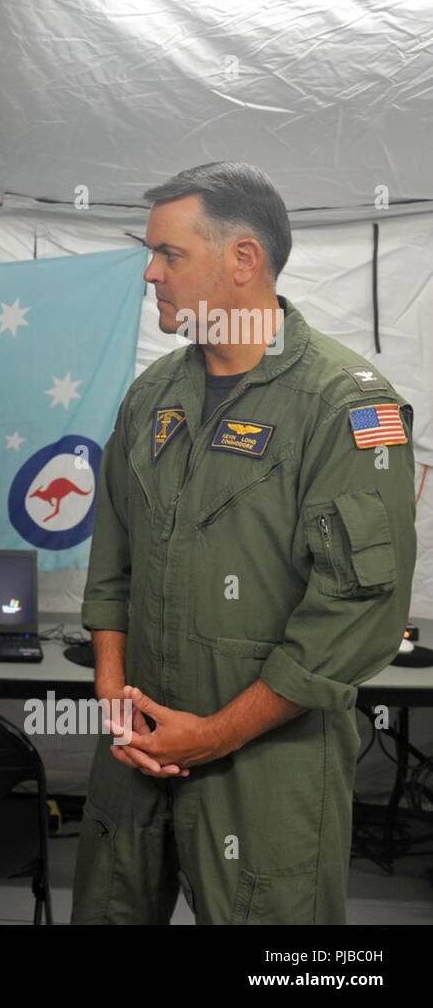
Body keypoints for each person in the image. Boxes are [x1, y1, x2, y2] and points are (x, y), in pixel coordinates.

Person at [73, 162, 416, 924]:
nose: (150, 275)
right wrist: (111, 691)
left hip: (267, 763)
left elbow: (356, 617)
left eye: (169, 255)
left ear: (242, 260)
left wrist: (214, 736)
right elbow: (112, 563)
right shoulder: (152, 397)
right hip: (136, 750)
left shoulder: (344, 407)